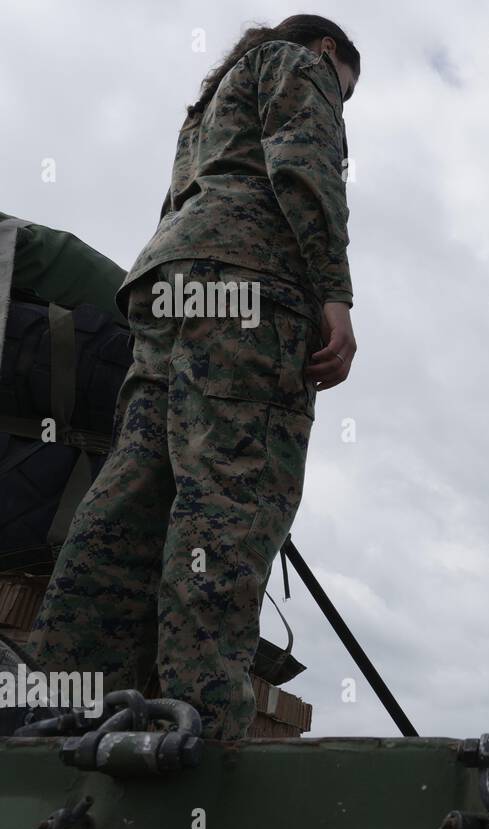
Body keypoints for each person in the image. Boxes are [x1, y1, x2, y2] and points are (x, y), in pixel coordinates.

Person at [24, 14, 361, 740]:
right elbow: (304, 168)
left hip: (170, 289)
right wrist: (335, 295)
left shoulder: (205, 109)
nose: (341, 102)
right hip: (249, 287)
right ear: (329, 50)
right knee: (230, 497)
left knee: (134, 494)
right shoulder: (296, 63)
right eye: (347, 90)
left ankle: (62, 710)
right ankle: (199, 728)